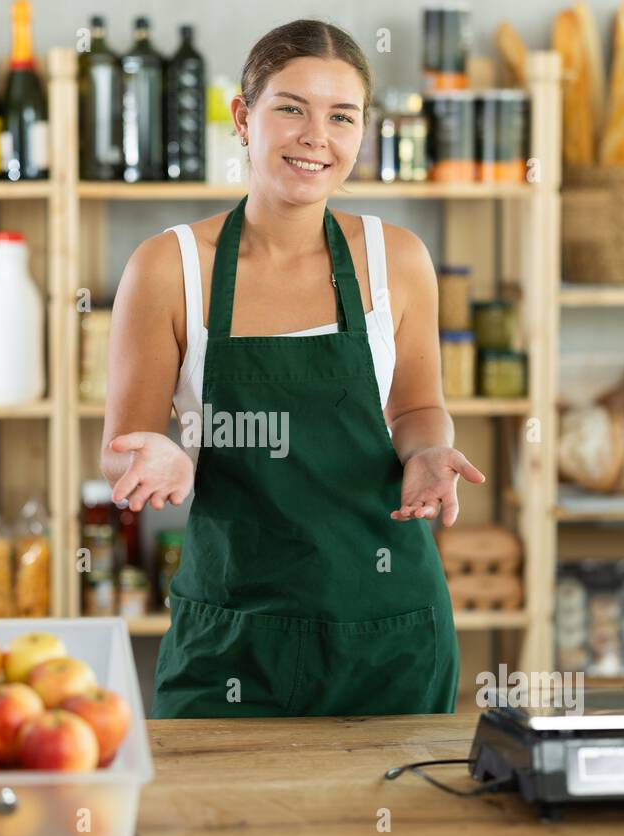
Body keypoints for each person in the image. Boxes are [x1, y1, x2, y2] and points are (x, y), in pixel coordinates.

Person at [102, 19, 485, 719]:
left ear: (362, 133)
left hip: (389, 629)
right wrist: (164, 454)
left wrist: (428, 451)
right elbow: (122, 445)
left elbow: (416, 407)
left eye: (342, 116)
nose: (317, 137)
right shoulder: (168, 268)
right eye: (291, 108)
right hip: (231, 635)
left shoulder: (396, 259)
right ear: (243, 117)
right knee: (217, 826)